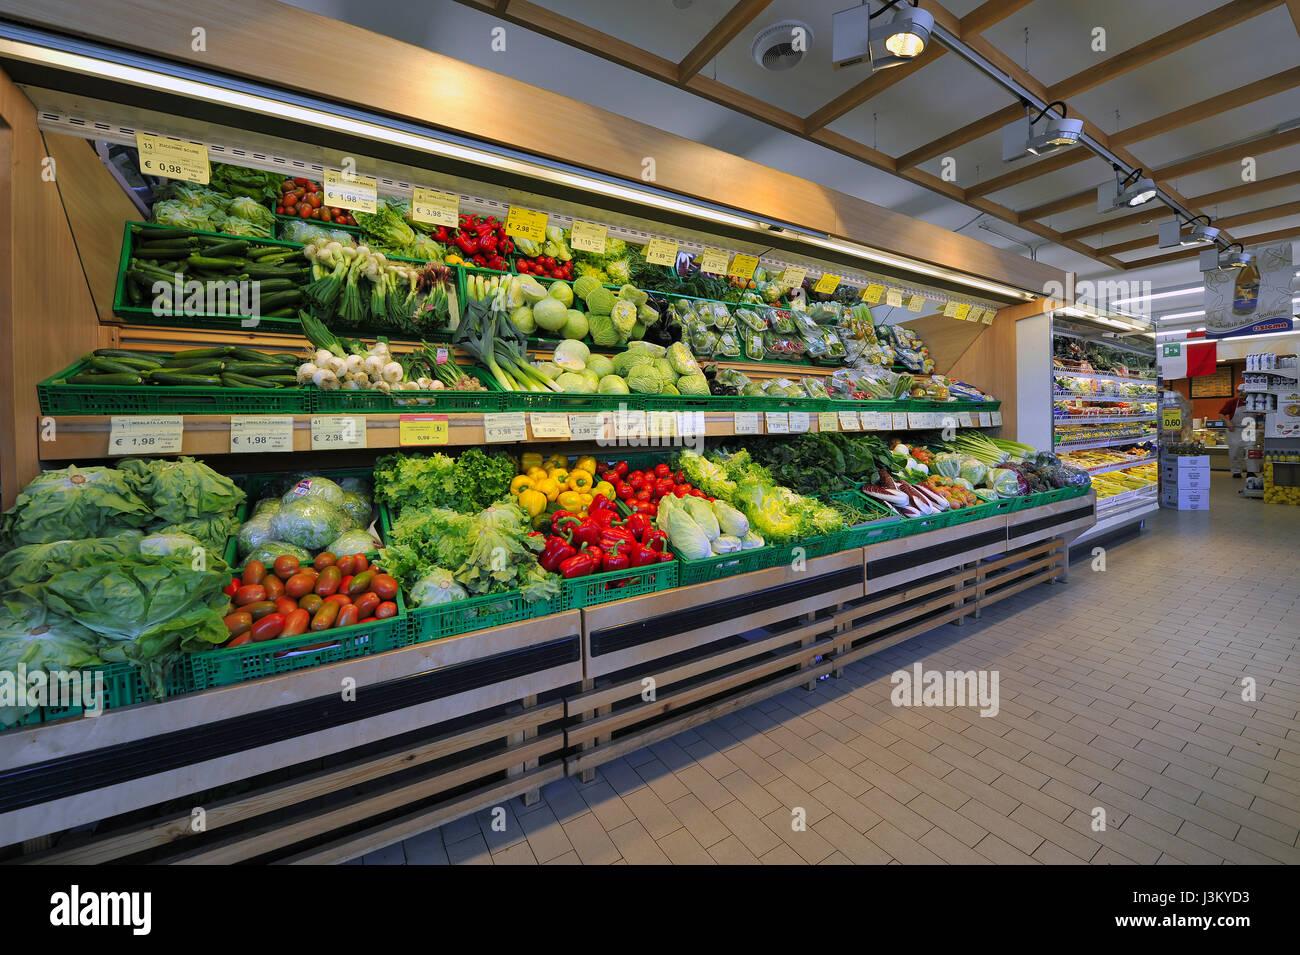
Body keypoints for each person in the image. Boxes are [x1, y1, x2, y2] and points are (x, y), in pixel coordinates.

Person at [1220, 383, 1252, 478]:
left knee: (1251, 452)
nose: (1240, 393)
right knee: (1235, 452)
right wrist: (1228, 422)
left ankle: (1251, 471)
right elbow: (1221, 414)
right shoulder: (1232, 402)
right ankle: (1236, 472)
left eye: (1243, 391)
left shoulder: (1254, 402)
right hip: (1235, 430)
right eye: (1238, 391)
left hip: (1250, 430)